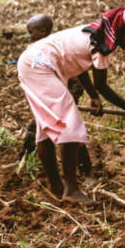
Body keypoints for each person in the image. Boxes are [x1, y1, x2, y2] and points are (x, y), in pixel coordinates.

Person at [16, 6, 125, 205]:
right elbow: (101, 85)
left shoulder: (95, 34)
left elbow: (78, 66)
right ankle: (71, 189)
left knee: (45, 127)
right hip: (40, 65)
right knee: (70, 122)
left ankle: (56, 186)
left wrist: (93, 97)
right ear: (121, 30)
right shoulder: (101, 43)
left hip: (33, 62)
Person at [19, 14, 92, 177]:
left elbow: (81, 72)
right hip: (54, 91)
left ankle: (85, 170)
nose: (29, 37)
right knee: (46, 126)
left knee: (66, 126)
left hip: (69, 88)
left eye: (31, 32)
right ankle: (24, 162)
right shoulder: (41, 47)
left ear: (43, 31)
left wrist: (91, 95)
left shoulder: (58, 45)